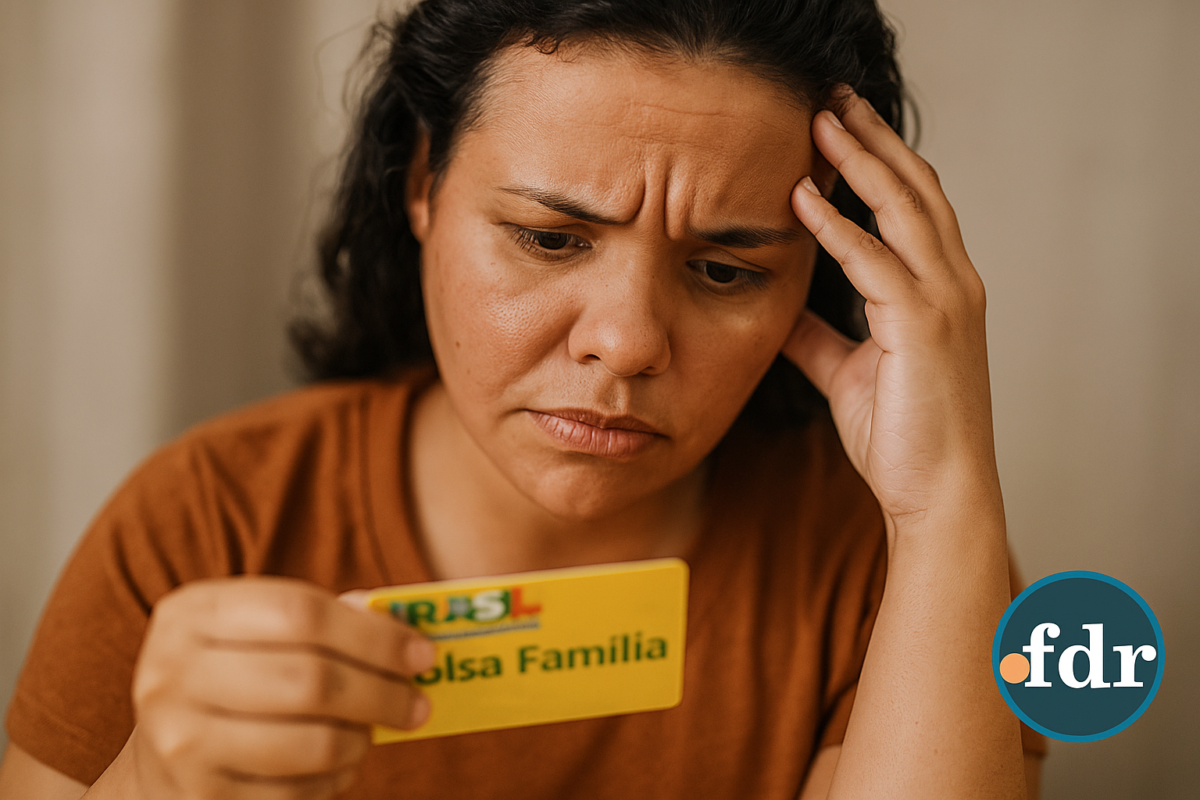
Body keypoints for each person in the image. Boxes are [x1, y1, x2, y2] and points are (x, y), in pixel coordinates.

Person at [0, 0, 1049, 797]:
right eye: (551, 239)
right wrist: (146, 781)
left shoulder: (895, 566)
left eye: (726, 270)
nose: (628, 343)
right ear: (422, 184)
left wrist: (946, 498)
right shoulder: (205, 521)